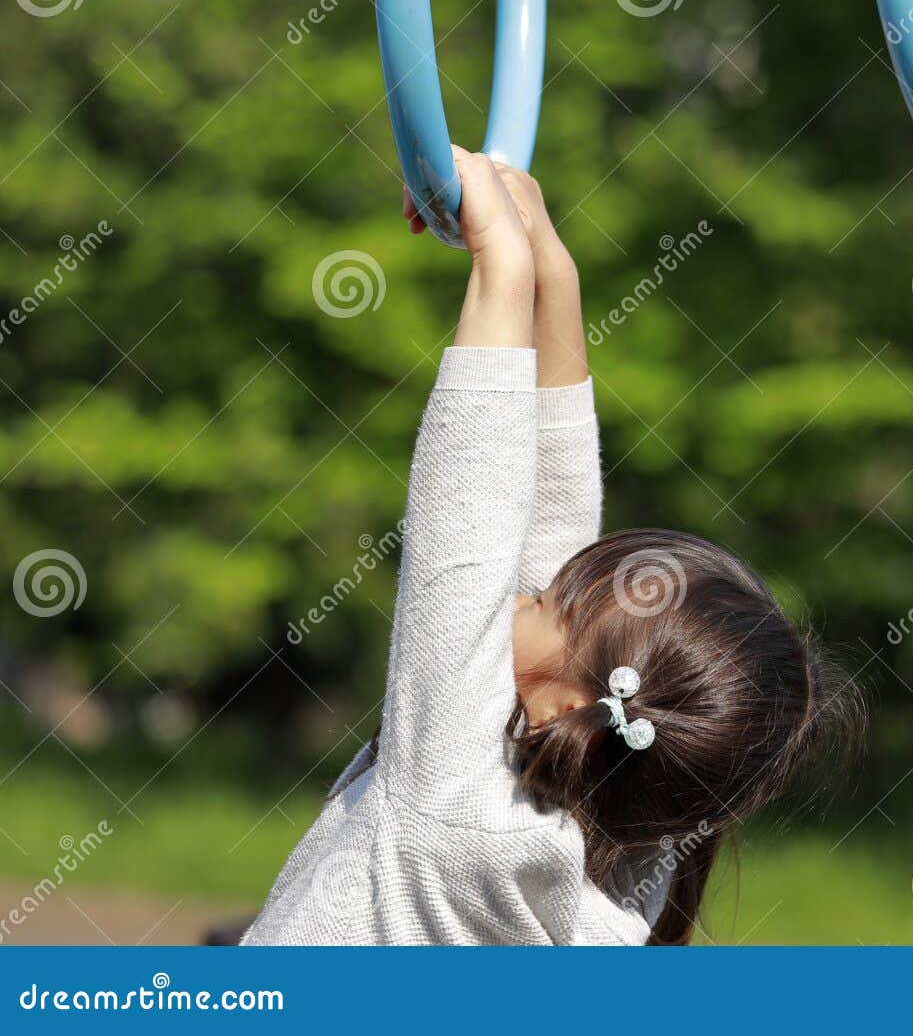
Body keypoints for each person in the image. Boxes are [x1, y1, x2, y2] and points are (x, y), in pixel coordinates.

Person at [242, 150, 858, 946]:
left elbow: (462, 524)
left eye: (546, 601)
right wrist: (549, 272)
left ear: (568, 709)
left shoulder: (453, 799)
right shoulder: (625, 862)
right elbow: (555, 519)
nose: (523, 590)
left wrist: (500, 261)